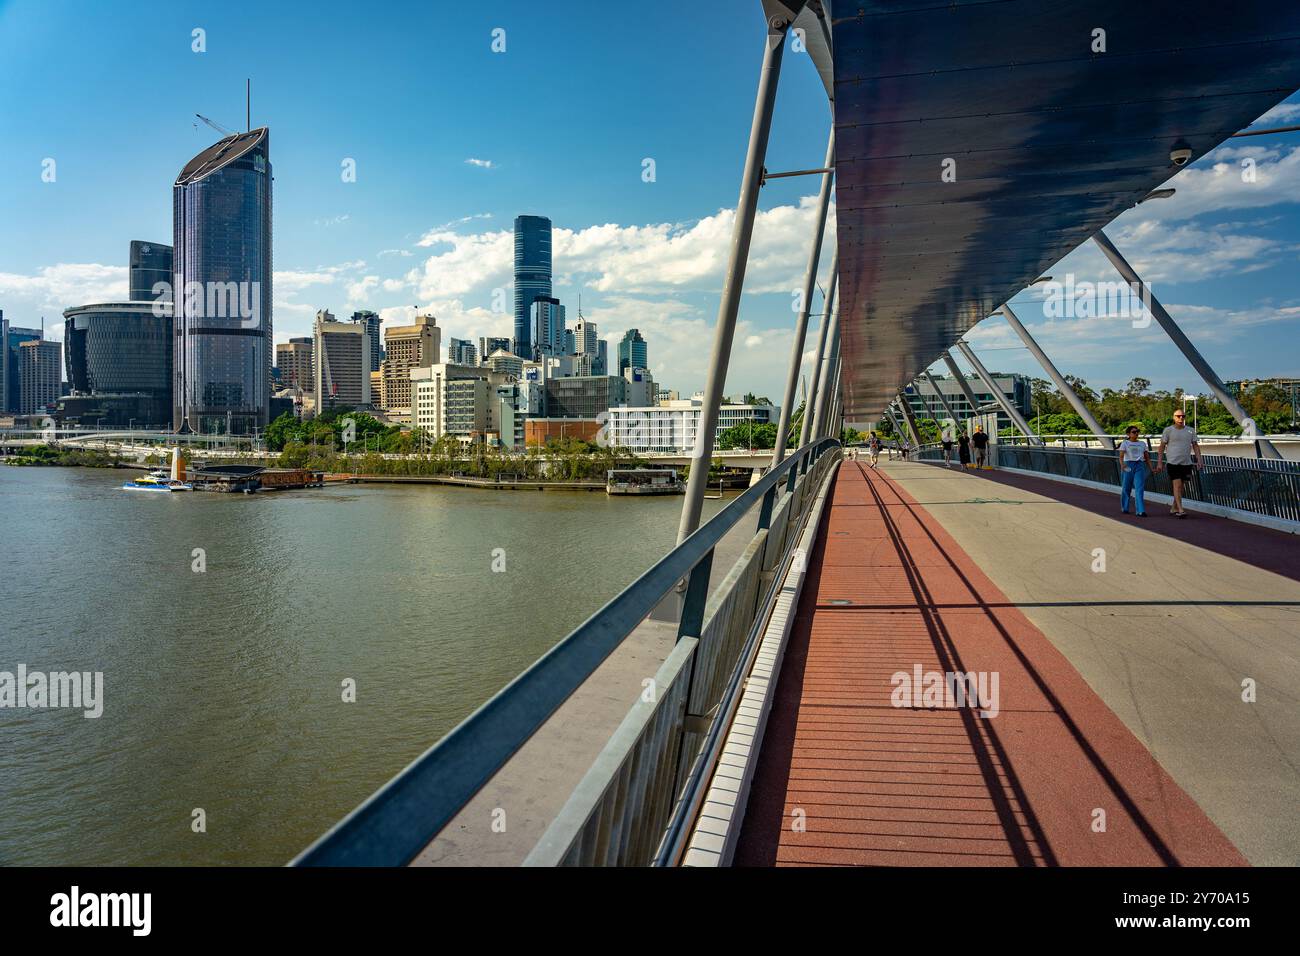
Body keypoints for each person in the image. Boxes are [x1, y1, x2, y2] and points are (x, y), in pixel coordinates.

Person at [1156, 410, 1200, 517]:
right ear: (1174, 417)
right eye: (1178, 416)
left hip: (1186, 463)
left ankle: (1174, 507)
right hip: (1173, 462)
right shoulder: (1168, 430)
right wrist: (1160, 462)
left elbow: (1195, 445)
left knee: (1182, 487)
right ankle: (1180, 509)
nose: (1181, 418)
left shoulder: (1190, 430)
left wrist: (1199, 460)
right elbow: (1162, 447)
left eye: (1183, 416)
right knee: (1177, 485)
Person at [1116, 426, 1151, 517]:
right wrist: (1122, 464)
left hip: (1139, 465)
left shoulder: (1142, 444)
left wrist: (1152, 468)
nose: (1136, 433)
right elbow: (1120, 457)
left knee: (1139, 488)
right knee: (1126, 488)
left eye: (1137, 431)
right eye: (1134, 432)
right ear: (1128, 434)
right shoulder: (1125, 443)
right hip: (1128, 465)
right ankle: (1125, 507)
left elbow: (1147, 458)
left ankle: (1140, 511)